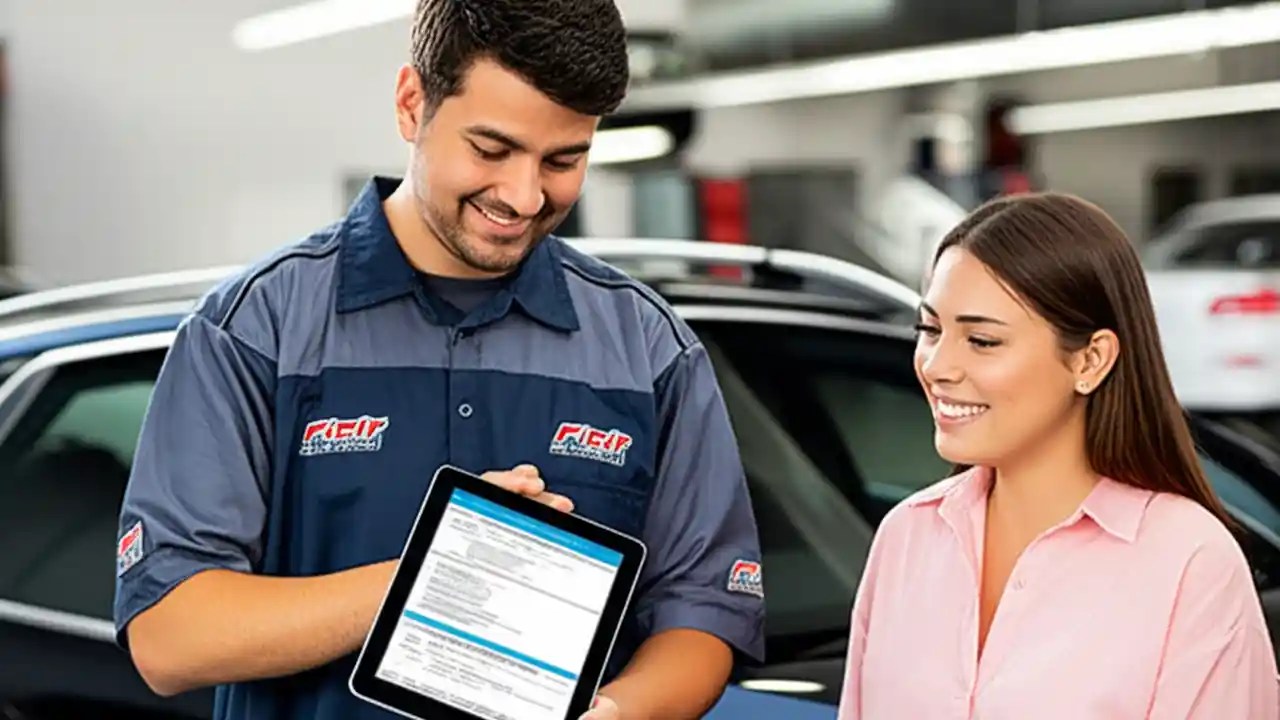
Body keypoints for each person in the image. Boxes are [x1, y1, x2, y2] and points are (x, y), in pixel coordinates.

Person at [111, 1, 766, 718]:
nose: (524, 196)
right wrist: (442, 571)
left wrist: (617, 713)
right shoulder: (256, 330)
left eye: (562, 160)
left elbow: (704, 615)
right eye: (491, 149)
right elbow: (170, 638)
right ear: (411, 104)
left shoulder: (647, 348)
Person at [837, 192, 1280, 719]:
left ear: (1090, 360)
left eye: (981, 340)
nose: (936, 366)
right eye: (930, 330)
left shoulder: (1191, 562)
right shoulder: (906, 536)